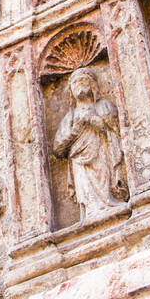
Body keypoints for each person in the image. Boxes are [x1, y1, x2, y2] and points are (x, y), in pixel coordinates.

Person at [52, 68, 128, 221]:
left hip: (101, 151)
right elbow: (58, 149)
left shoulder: (104, 106)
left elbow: (116, 130)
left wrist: (93, 120)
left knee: (104, 179)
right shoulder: (70, 117)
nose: (79, 84)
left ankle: (109, 202)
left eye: (83, 80)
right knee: (86, 189)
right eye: (75, 83)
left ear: (93, 85)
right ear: (71, 91)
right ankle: (92, 212)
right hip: (79, 159)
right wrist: (76, 130)